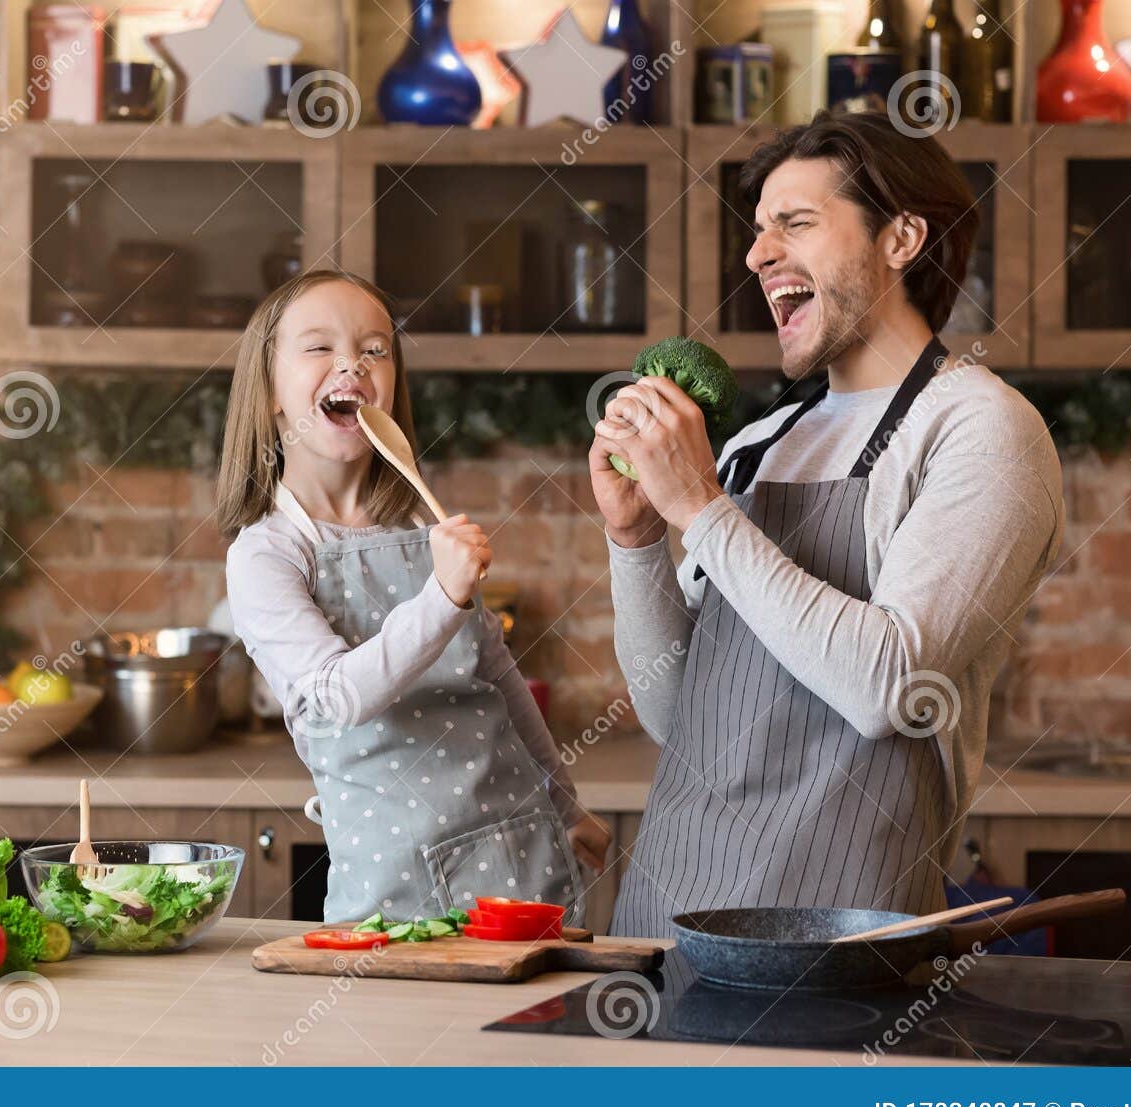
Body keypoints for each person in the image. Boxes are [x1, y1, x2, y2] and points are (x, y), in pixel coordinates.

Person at [592, 111, 1065, 938]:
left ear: (902, 238)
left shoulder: (979, 428)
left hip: (842, 941)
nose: (759, 252)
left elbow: (888, 685)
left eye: (796, 223)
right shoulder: (756, 444)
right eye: (758, 230)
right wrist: (636, 541)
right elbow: (680, 714)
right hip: (663, 923)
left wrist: (701, 509)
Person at [219, 269, 611, 924]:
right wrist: (442, 598)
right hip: (394, 887)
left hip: (520, 854)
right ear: (269, 394)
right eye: (320, 347)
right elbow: (340, 698)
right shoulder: (267, 554)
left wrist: (566, 805)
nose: (353, 364)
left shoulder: (421, 531)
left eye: (374, 349)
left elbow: (499, 676)